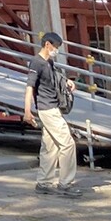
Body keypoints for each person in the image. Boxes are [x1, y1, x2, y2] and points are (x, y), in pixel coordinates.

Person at [24, 31, 81, 198]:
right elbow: (29, 87)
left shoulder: (49, 61)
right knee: (67, 143)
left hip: (49, 107)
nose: (57, 50)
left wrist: (66, 81)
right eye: (55, 47)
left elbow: (54, 78)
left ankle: (44, 182)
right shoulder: (37, 63)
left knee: (50, 147)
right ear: (47, 44)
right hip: (48, 108)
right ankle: (65, 183)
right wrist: (27, 110)